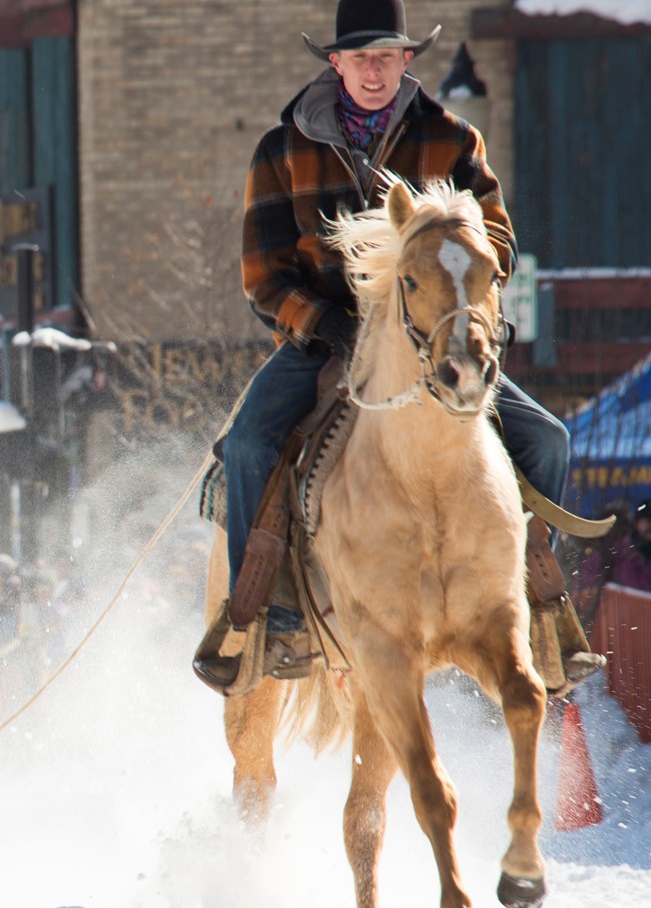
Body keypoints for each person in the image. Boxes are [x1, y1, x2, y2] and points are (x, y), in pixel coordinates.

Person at [215, 0, 586, 684]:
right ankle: (263, 613)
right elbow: (264, 276)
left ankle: (538, 602)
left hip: (436, 340)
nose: (374, 69)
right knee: (246, 445)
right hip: (324, 341)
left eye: (387, 55)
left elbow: (497, 240)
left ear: (408, 60)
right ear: (336, 63)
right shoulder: (281, 148)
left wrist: (457, 281)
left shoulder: (453, 140)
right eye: (360, 57)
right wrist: (329, 327)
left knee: (549, 441)